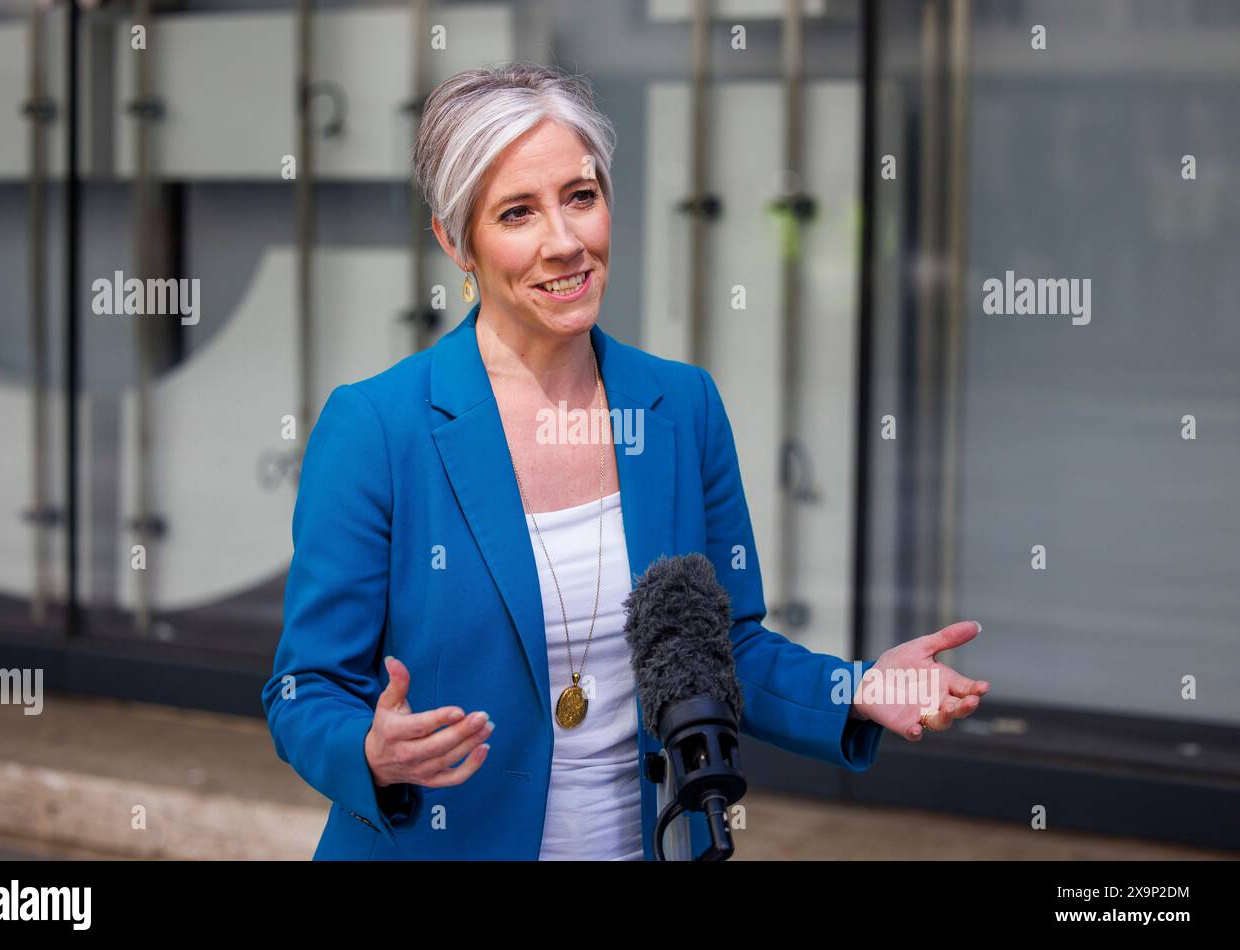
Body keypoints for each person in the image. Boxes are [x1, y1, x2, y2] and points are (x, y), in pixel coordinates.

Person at [262, 62, 990, 861]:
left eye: (581, 196)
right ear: (453, 240)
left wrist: (857, 688)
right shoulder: (376, 428)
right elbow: (306, 691)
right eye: (517, 213)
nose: (565, 241)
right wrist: (369, 751)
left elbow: (728, 647)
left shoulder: (681, 407)